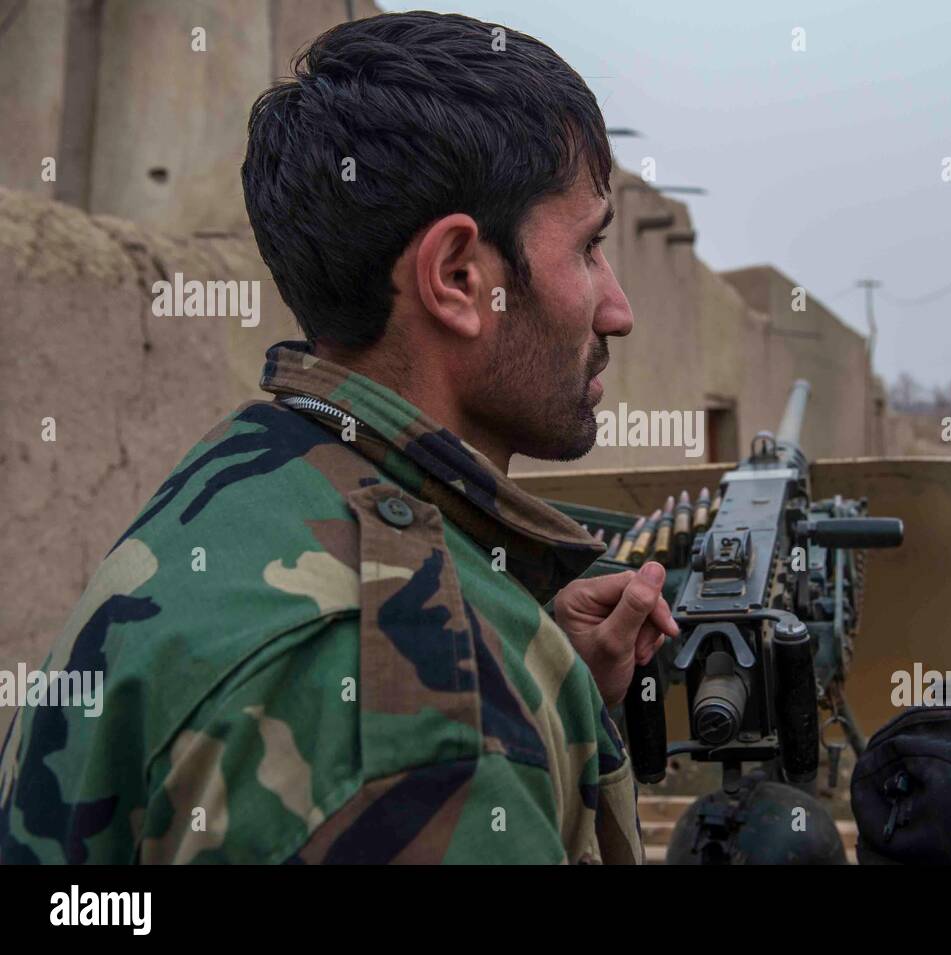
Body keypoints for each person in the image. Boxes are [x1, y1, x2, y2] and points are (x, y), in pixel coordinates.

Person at [0, 11, 678, 864]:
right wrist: (473, 698)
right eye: (589, 248)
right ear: (460, 277)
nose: (619, 307)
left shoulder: (250, 478)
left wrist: (536, 668)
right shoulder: (416, 733)